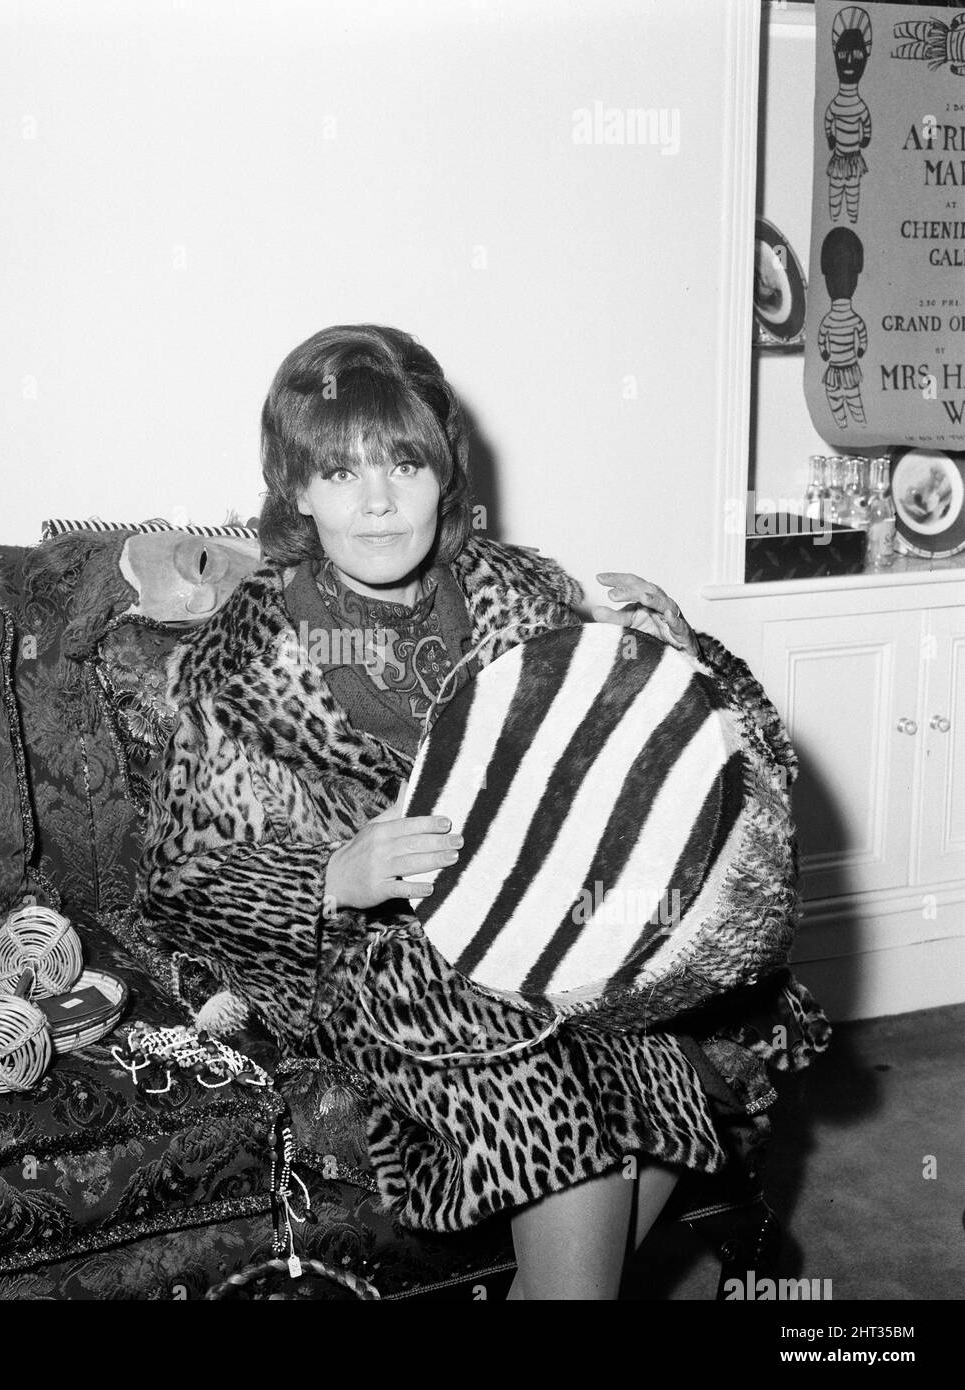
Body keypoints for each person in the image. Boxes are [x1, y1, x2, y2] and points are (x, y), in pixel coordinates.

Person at [138, 324, 829, 1300]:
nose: (376, 500)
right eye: (339, 472)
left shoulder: (515, 594)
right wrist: (331, 877)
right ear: (295, 487)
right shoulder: (236, 659)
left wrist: (673, 664)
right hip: (379, 961)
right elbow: (178, 883)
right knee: (555, 1091)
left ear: (443, 471)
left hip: (548, 913)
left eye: (404, 463)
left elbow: (627, 766)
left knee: (667, 1036)